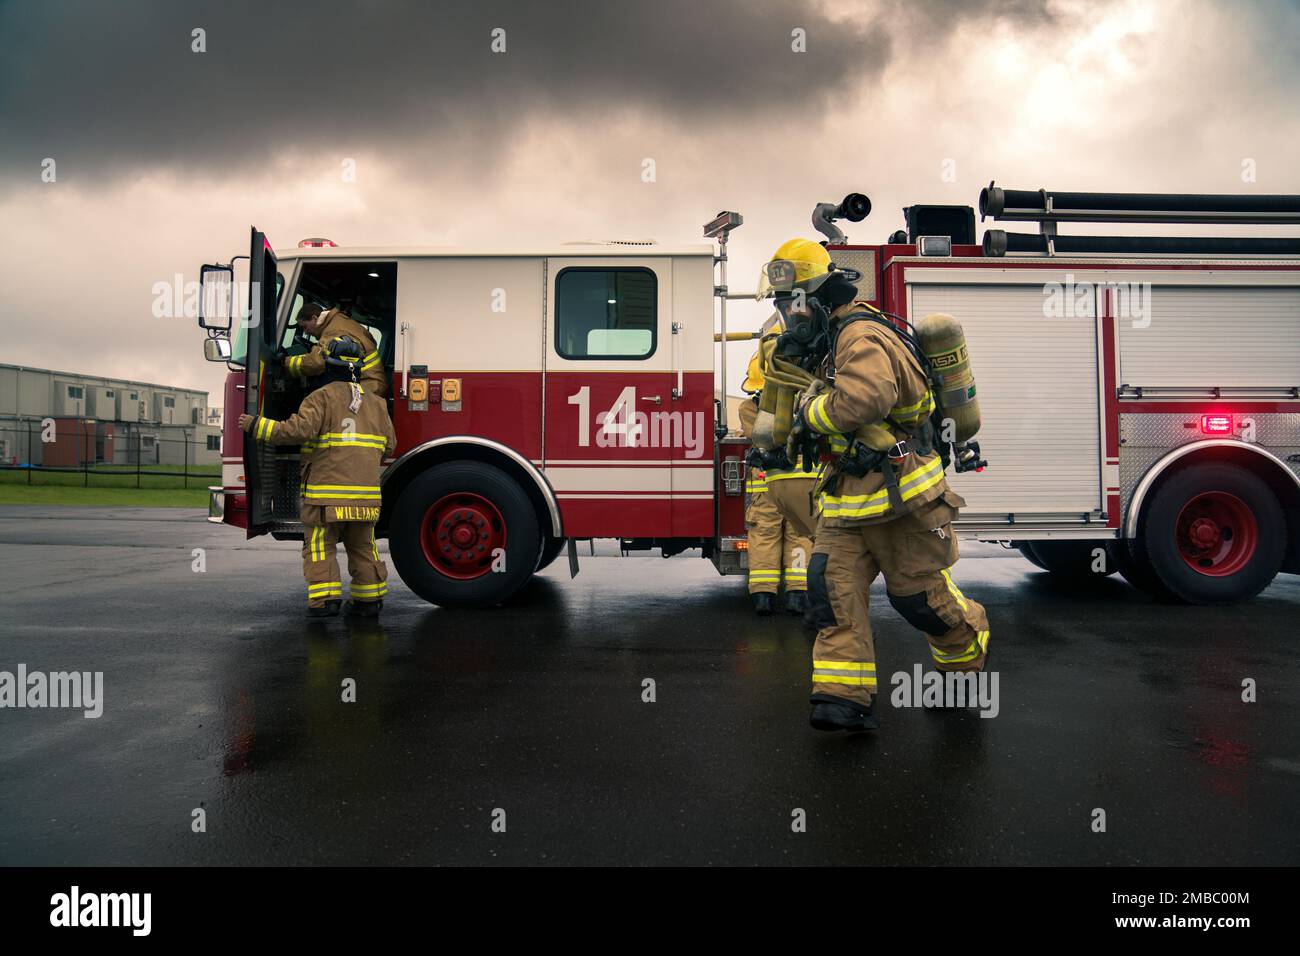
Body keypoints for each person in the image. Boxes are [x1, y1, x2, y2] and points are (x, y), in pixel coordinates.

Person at [756, 238, 991, 732]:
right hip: (847, 498)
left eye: (792, 303)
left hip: (902, 499)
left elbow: (861, 401)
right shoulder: (831, 337)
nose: (787, 315)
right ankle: (841, 696)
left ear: (818, 298)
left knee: (920, 599)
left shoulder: (860, 334)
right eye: (782, 305)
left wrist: (807, 410)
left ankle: (967, 656)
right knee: (831, 591)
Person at [239, 337, 397, 618]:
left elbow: (296, 431)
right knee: (363, 547)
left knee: (320, 547)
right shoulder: (377, 404)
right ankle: (369, 601)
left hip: (325, 497)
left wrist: (256, 425)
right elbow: (389, 445)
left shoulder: (320, 397)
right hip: (366, 499)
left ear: (329, 366)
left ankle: (325, 602)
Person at [737, 323, 818, 618]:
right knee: (800, 535)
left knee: (764, 536)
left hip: (766, 484)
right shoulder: (807, 399)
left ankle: (763, 597)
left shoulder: (749, 408)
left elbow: (755, 437)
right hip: (803, 484)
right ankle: (797, 595)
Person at [284, 303, 387, 397]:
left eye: (305, 327)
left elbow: (317, 362)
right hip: (372, 382)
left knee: (322, 400)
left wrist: (286, 363)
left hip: (367, 386)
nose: (305, 332)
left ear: (314, 318)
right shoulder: (339, 321)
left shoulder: (333, 330)